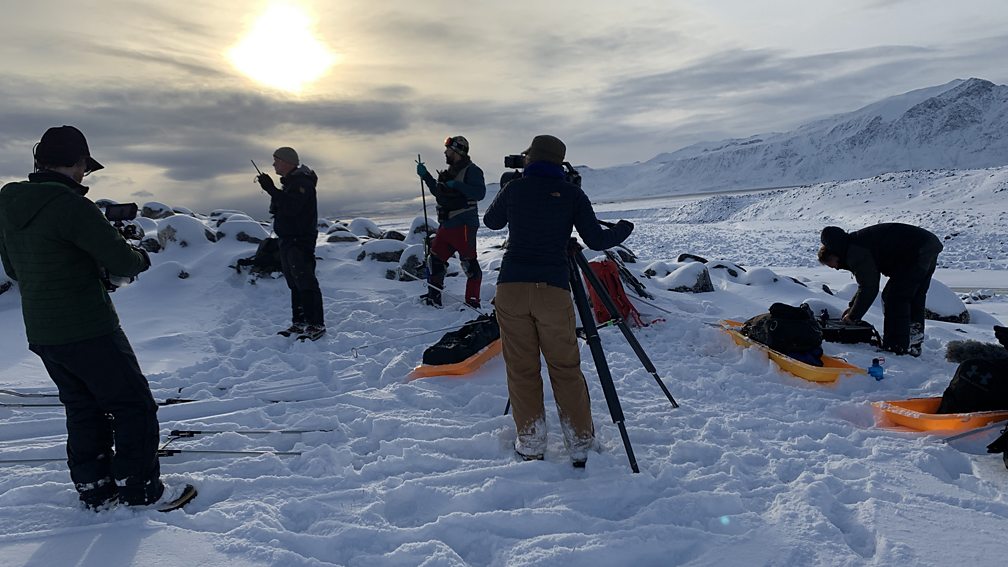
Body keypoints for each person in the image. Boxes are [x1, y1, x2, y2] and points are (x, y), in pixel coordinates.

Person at [0, 125, 189, 510]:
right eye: (85, 166)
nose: (85, 174)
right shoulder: (71, 205)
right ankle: (140, 490)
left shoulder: (7, 203)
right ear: (76, 163)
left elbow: (14, 268)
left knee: (82, 407)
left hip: (42, 329)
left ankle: (94, 487)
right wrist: (137, 254)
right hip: (88, 325)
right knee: (132, 405)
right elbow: (123, 261)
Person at [483, 134, 633, 466]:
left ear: (530, 158)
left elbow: (490, 221)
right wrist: (623, 228)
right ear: (560, 163)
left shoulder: (515, 188)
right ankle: (579, 442)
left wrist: (513, 185)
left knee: (522, 369)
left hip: (511, 287)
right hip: (552, 289)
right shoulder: (572, 193)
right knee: (565, 367)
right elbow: (595, 239)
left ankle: (531, 442)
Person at [819, 223, 943, 356]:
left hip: (916, 251)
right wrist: (852, 308)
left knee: (894, 296)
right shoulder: (854, 243)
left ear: (834, 255)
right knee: (915, 295)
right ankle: (913, 338)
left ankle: (897, 346)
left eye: (831, 265)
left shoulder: (854, 252)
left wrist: (853, 316)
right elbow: (865, 285)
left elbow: (869, 287)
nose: (836, 268)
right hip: (927, 244)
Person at [257, 146, 325, 341]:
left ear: (287, 162)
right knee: (295, 282)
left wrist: (270, 189)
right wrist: (274, 193)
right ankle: (300, 322)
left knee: (306, 281)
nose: (274, 165)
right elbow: (283, 206)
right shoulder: (291, 183)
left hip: (300, 240)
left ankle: (315, 323)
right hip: (288, 239)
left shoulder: (302, 183)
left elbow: (292, 207)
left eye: (276, 161)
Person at [415, 135, 486, 308]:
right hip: (446, 226)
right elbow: (439, 194)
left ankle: (472, 302)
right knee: (436, 260)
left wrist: (457, 185)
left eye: (448, 150)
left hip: (464, 226)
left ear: (457, 151)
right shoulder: (448, 173)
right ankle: (433, 297)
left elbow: (480, 193)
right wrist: (426, 176)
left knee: (470, 266)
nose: (445, 152)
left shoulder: (472, 171)